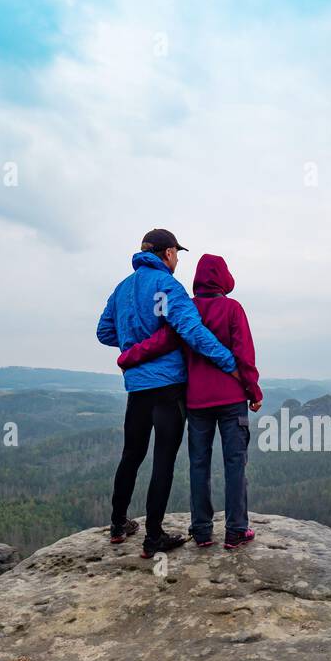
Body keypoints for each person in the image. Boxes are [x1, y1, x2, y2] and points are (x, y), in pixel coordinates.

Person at [97, 229, 238, 556]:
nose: (176, 259)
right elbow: (192, 331)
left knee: (131, 454)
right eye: (176, 253)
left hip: (137, 388)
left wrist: (133, 343)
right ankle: (153, 537)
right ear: (168, 253)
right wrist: (229, 362)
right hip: (169, 386)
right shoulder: (168, 286)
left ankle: (118, 525)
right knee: (162, 460)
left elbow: (104, 331)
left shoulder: (123, 288)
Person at [117, 253, 261, 549]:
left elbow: (162, 341)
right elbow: (244, 355)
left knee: (199, 464)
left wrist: (128, 356)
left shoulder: (186, 308)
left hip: (196, 400)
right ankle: (235, 531)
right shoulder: (233, 308)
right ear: (223, 277)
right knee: (235, 463)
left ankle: (203, 531)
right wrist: (253, 391)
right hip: (232, 399)